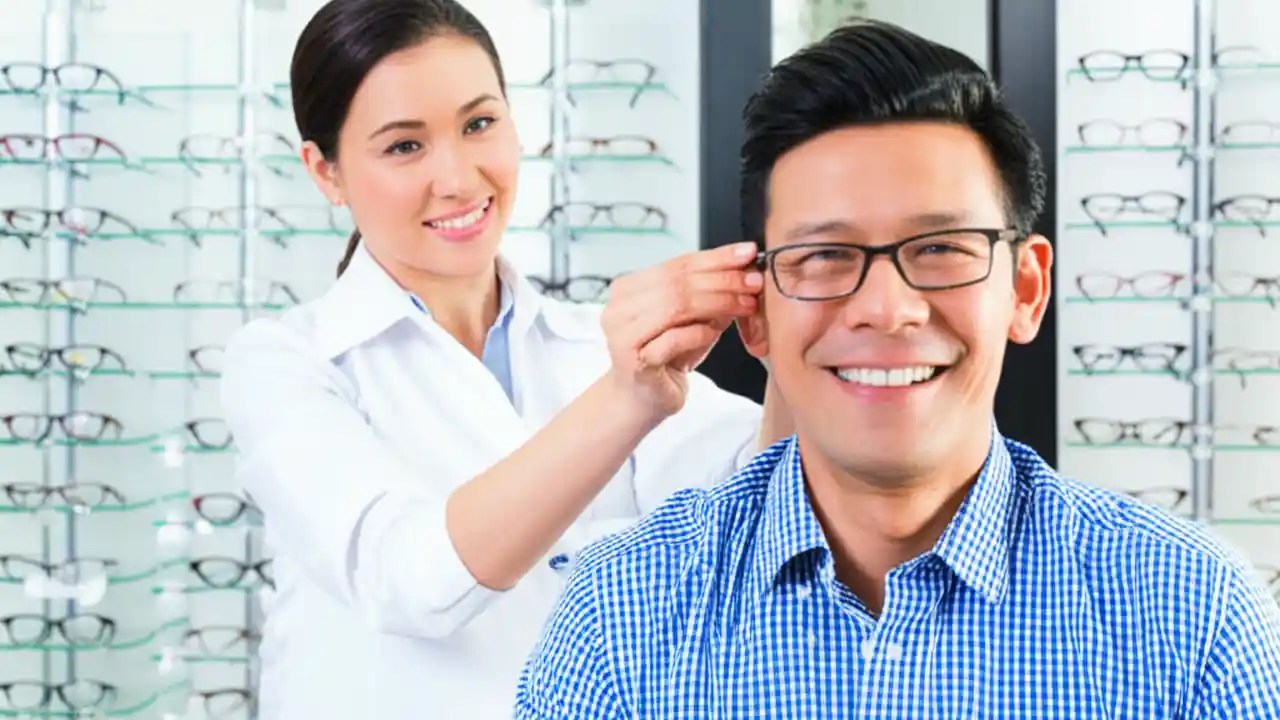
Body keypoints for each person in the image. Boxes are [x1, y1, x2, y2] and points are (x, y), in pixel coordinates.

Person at [515, 19, 1280, 719]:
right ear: (755, 317)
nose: (888, 308)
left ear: (1024, 289)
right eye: (825, 255)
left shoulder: (1188, 611)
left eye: (940, 249)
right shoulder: (622, 615)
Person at [217, 1, 789, 718]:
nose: (458, 178)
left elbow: (772, 484)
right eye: (404, 147)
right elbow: (410, 580)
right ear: (324, 172)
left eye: (479, 123)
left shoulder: (589, 347)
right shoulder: (285, 365)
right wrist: (627, 399)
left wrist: (794, 325)